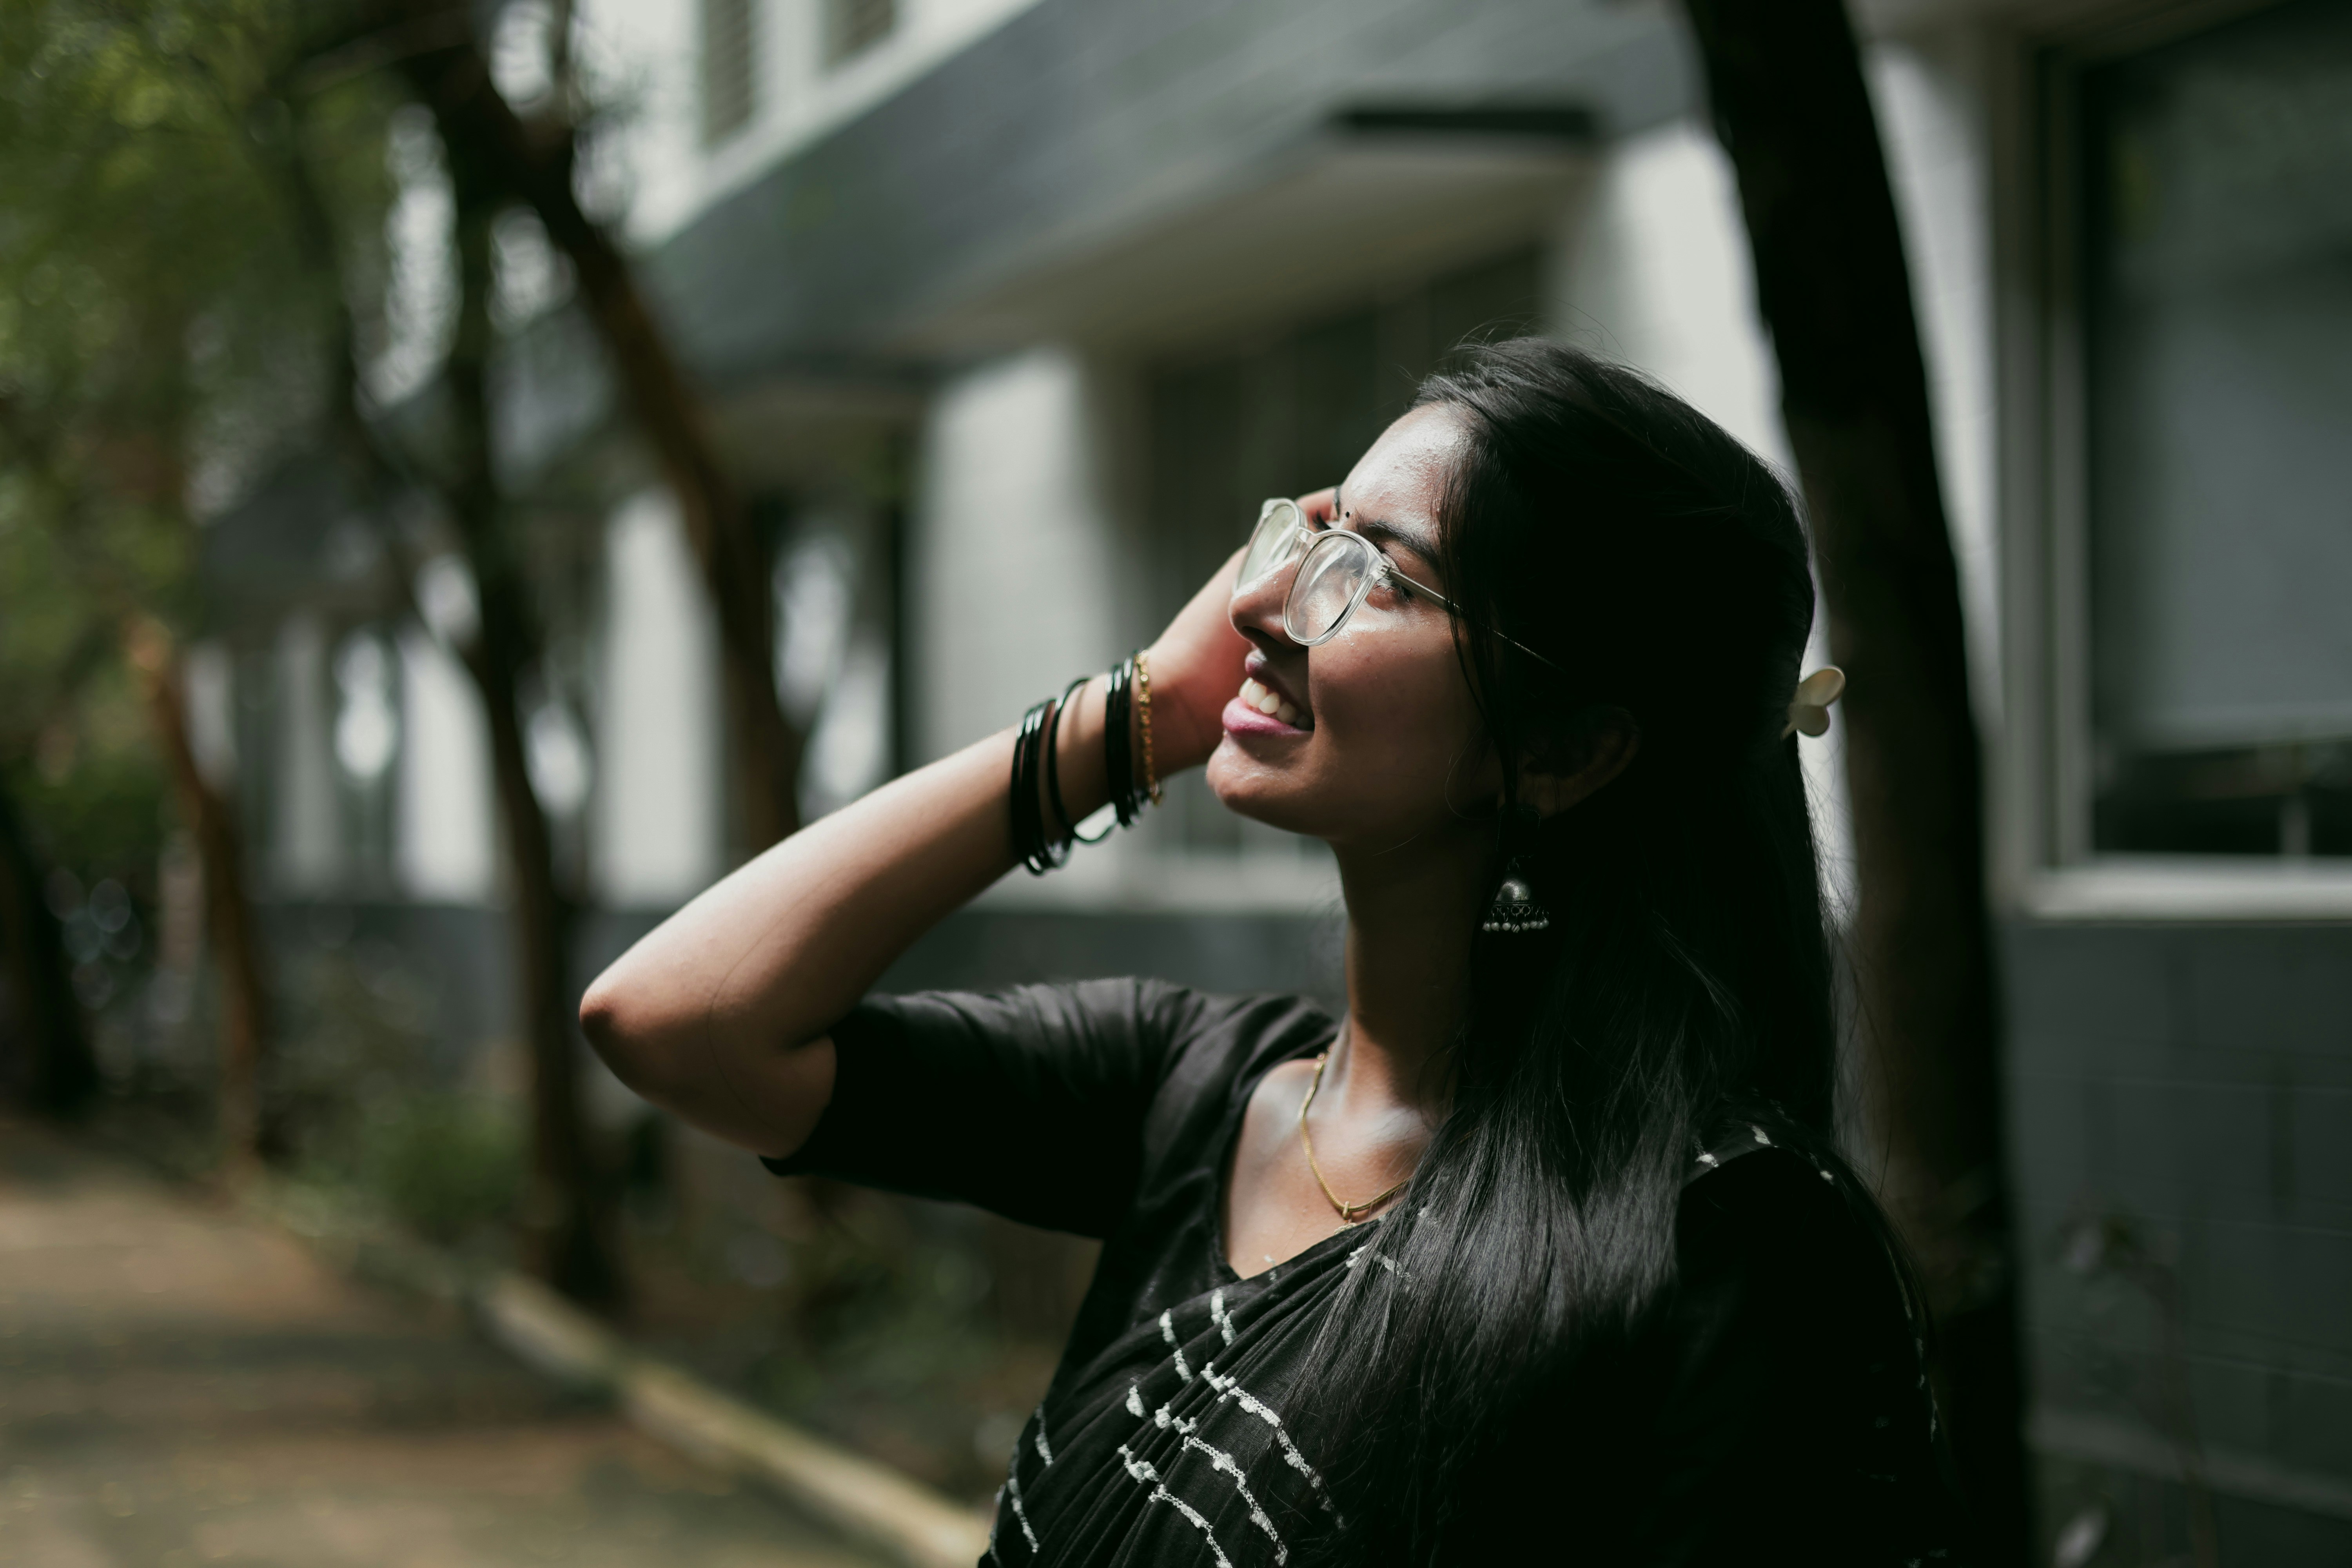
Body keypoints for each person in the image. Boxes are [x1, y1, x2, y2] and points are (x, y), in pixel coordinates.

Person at [581, 339, 1963, 1565]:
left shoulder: (1730, 1244)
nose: (1261, 605)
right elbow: (680, 1023)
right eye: (1307, 536)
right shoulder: (1184, 1088)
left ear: (1565, 748)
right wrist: (1136, 718)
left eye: (1378, 576)